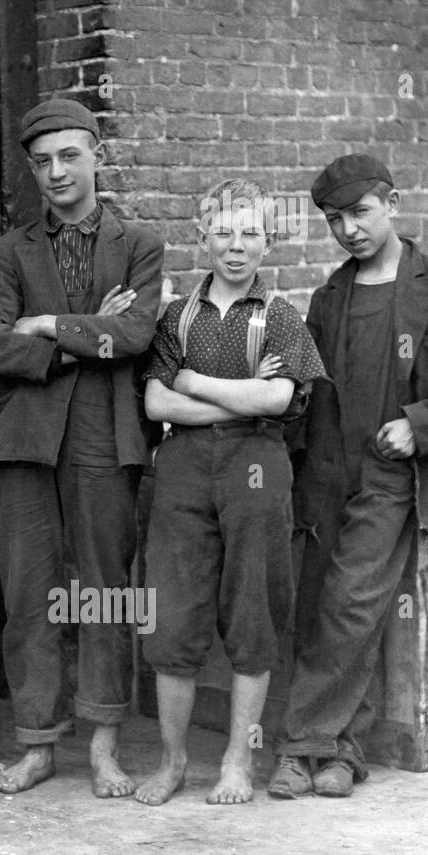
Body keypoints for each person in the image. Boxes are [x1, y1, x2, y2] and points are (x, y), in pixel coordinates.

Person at [0, 98, 164, 797]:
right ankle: (37, 743)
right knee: (29, 596)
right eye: (42, 161)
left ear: (97, 156)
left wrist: (48, 321)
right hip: (26, 439)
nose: (55, 172)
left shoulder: (139, 244)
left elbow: (138, 333)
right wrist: (84, 336)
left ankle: (105, 745)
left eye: (69, 156)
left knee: (103, 595)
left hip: (104, 438)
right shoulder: (11, 248)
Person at [269, 154, 428, 799]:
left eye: (360, 213)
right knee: (320, 604)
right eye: (334, 219)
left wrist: (422, 422)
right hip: (326, 471)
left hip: (392, 473)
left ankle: (298, 746)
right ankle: (342, 753)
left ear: (393, 203)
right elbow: (313, 394)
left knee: (351, 604)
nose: (348, 229)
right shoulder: (329, 295)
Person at [134, 180, 325, 806]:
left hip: (257, 468)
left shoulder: (282, 316)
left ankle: (239, 763)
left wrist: (194, 380)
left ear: (268, 241)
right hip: (182, 471)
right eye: (224, 232)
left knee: (253, 613)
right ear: (202, 234)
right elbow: (155, 400)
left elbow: (277, 399)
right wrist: (228, 391)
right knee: (170, 615)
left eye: (250, 234)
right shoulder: (176, 316)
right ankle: (173, 764)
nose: (236, 246)